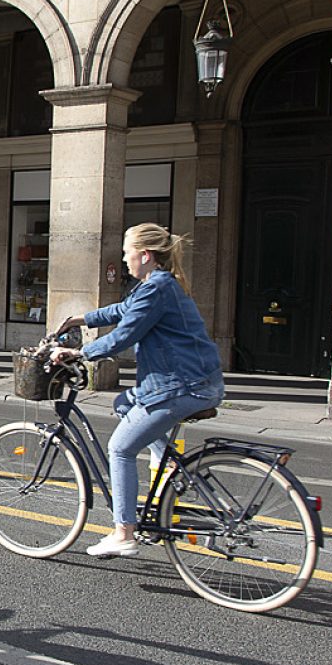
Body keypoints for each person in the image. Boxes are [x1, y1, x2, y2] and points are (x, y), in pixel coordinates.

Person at [49, 222, 223, 559]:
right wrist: (79, 319)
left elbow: (125, 334)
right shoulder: (157, 285)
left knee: (120, 448)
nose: (124, 258)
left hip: (180, 387)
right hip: (194, 383)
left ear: (145, 255)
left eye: (127, 252)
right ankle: (169, 468)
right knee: (123, 403)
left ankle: (123, 532)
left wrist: (81, 353)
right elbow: (120, 311)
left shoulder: (156, 289)